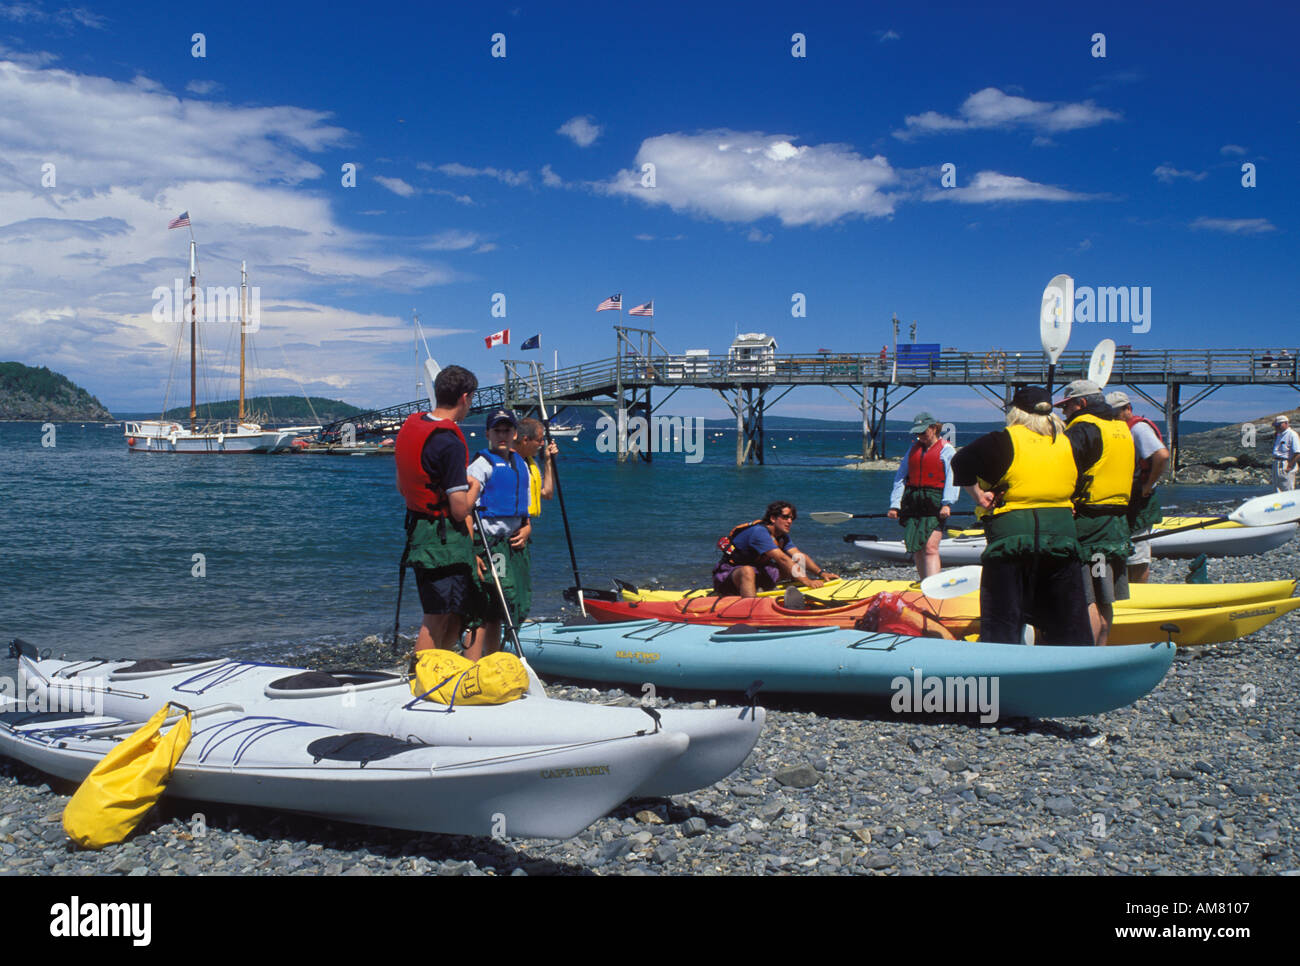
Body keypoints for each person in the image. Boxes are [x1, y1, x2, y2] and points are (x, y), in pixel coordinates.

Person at [949, 385, 1091, 645]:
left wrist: (979, 496)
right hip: (1061, 537)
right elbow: (1080, 479)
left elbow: (960, 462)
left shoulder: (1001, 440)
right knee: (1066, 616)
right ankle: (1073, 661)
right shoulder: (1069, 441)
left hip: (1011, 540)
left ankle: (1003, 664)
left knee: (1004, 616)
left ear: (1016, 411)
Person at [394, 365, 483, 653]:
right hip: (443, 540)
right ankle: (421, 677)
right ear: (466, 398)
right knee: (438, 614)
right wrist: (475, 489)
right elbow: (459, 510)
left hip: (419, 531)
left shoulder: (412, 425)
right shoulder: (449, 441)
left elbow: (402, 485)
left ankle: (440, 669)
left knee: (451, 611)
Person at [1058, 381, 1135, 646]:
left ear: (1081, 404)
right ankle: (1101, 650)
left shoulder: (1082, 429)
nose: (1064, 413)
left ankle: (1086, 655)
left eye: (1067, 407)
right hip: (1116, 524)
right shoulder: (1121, 427)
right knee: (1105, 596)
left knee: (1085, 595)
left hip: (1087, 522)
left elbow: (1061, 468)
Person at [463, 409, 533, 661]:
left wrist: (527, 528)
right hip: (489, 545)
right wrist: (472, 551)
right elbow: (466, 511)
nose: (502, 435)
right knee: (483, 608)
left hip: (512, 545)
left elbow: (524, 510)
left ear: (514, 434)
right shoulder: (481, 465)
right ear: (487, 434)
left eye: (506, 430)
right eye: (497, 431)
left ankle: (492, 660)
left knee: (503, 609)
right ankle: (470, 667)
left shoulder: (520, 463)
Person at [1106, 391, 1170, 584]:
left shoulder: (1138, 429)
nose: (1112, 417)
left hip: (1141, 498)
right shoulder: (1122, 429)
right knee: (1129, 550)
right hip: (1130, 497)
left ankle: (1139, 593)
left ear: (1128, 409)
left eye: (1116, 412)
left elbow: (1162, 455)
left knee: (1138, 555)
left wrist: (1147, 486)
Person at [712, 501, 839, 597]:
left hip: (759, 573)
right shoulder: (759, 532)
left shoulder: (782, 536)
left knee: (793, 564)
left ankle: (779, 591)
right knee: (747, 570)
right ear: (773, 518)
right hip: (729, 576)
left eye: (792, 518)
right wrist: (807, 581)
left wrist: (821, 573)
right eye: (785, 517)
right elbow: (782, 558)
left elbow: (799, 556)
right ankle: (751, 608)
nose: (789, 521)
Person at [887, 412, 958, 579]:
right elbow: (900, 478)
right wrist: (895, 504)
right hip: (913, 501)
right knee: (917, 546)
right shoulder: (913, 449)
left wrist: (947, 503)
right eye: (918, 433)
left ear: (933, 429)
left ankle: (933, 587)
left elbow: (952, 478)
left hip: (934, 501)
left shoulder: (946, 450)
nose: (920, 436)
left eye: (923, 432)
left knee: (931, 547)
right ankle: (924, 583)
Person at [514, 417, 558, 517]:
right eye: (539, 440)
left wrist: (549, 461)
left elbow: (547, 493)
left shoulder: (531, 463)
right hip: (512, 525)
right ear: (525, 440)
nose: (542, 443)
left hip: (526, 524)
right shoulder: (508, 463)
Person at [1271, 414, 1300, 492]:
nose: (1276, 427)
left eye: (1279, 425)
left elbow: (1297, 453)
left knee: (1287, 488)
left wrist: (1290, 466)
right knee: (1277, 488)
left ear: (1286, 423)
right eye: (1276, 425)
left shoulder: (1292, 434)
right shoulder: (1279, 434)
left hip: (1285, 463)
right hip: (1276, 463)